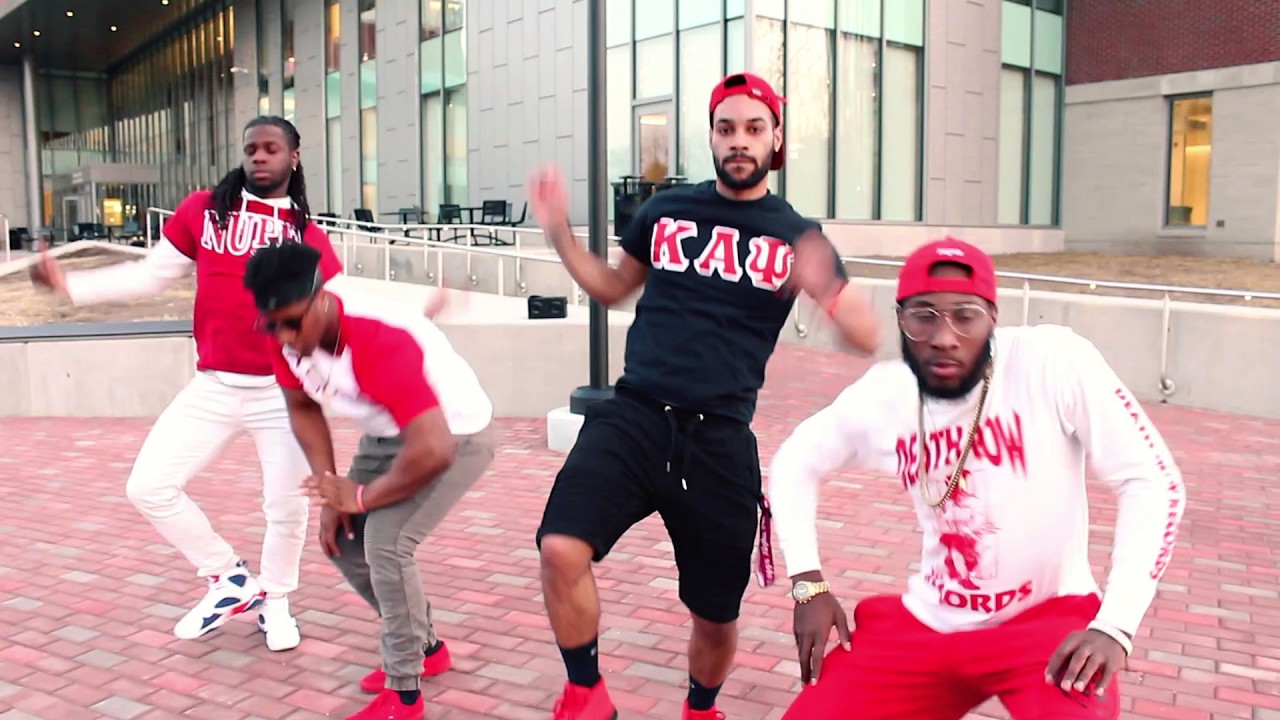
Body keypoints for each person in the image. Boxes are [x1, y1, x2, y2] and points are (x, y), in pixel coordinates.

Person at [526, 72, 880, 720]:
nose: (738, 141)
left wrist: (819, 285)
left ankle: (701, 708)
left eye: (753, 129)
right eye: (726, 128)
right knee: (559, 547)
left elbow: (866, 332)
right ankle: (587, 694)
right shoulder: (668, 210)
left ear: (776, 141)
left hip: (718, 437)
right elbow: (611, 287)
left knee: (715, 616)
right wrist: (559, 233)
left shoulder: (798, 234)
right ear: (711, 136)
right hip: (634, 415)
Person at [765, 237, 1188, 719]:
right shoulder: (887, 392)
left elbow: (1153, 480)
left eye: (965, 315)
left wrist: (1116, 624)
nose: (945, 336)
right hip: (932, 624)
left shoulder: (1050, 361)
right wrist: (808, 583)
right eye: (924, 315)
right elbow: (796, 460)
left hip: (1047, 621)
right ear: (901, 318)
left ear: (993, 316)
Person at [29, 116, 343, 652]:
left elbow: (338, 309)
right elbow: (151, 275)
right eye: (250, 148)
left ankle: (277, 600)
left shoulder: (307, 235)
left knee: (286, 507)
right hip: (214, 385)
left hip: (280, 393)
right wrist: (70, 286)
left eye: (271, 149)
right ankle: (230, 579)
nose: (258, 157)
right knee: (148, 486)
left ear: (294, 157)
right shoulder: (206, 210)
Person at [243, 241, 496, 720]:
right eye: (270, 325)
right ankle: (426, 648)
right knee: (342, 537)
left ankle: (405, 696)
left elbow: (434, 449)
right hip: (388, 434)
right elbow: (302, 406)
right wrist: (329, 488)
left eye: (292, 323)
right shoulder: (286, 335)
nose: (283, 338)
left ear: (323, 298)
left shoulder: (378, 338)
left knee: (385, 543)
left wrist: (361, 496)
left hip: (456, 434)